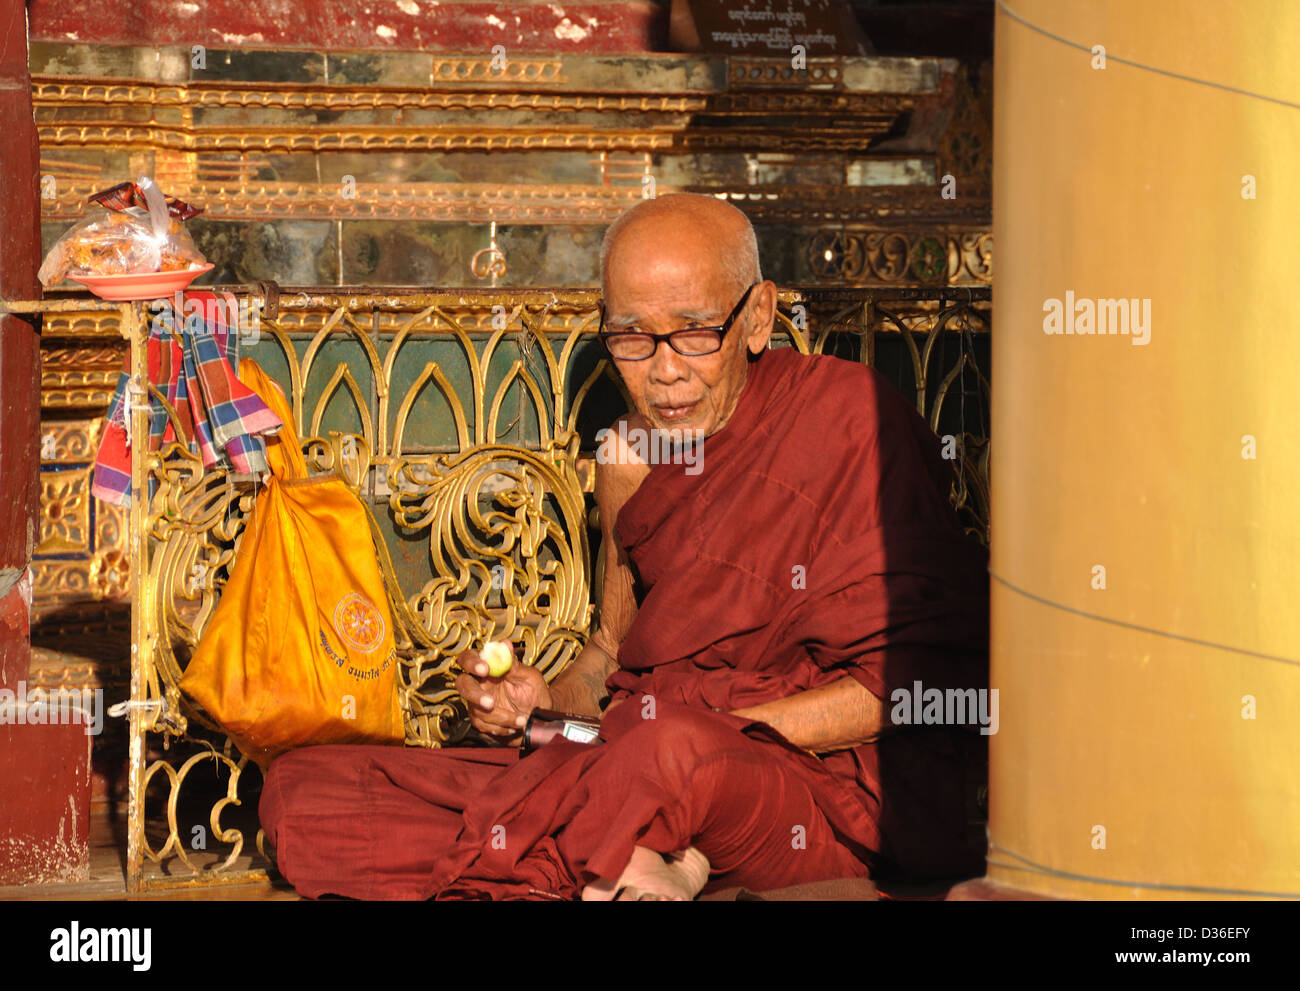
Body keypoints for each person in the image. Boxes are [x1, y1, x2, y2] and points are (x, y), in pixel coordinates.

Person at [258, 193, 990, 900]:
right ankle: (633, 854)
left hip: (796, 790)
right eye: (631, 337)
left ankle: (637, 847)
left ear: (759, 316)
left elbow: (908, 685)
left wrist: (712, 740)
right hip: (637, 754)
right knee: (306, 793)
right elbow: (611, 653)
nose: (665, 370)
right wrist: (541, 703)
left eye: (696, 331)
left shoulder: (850, 421)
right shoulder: (627, 458)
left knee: (669, 752)